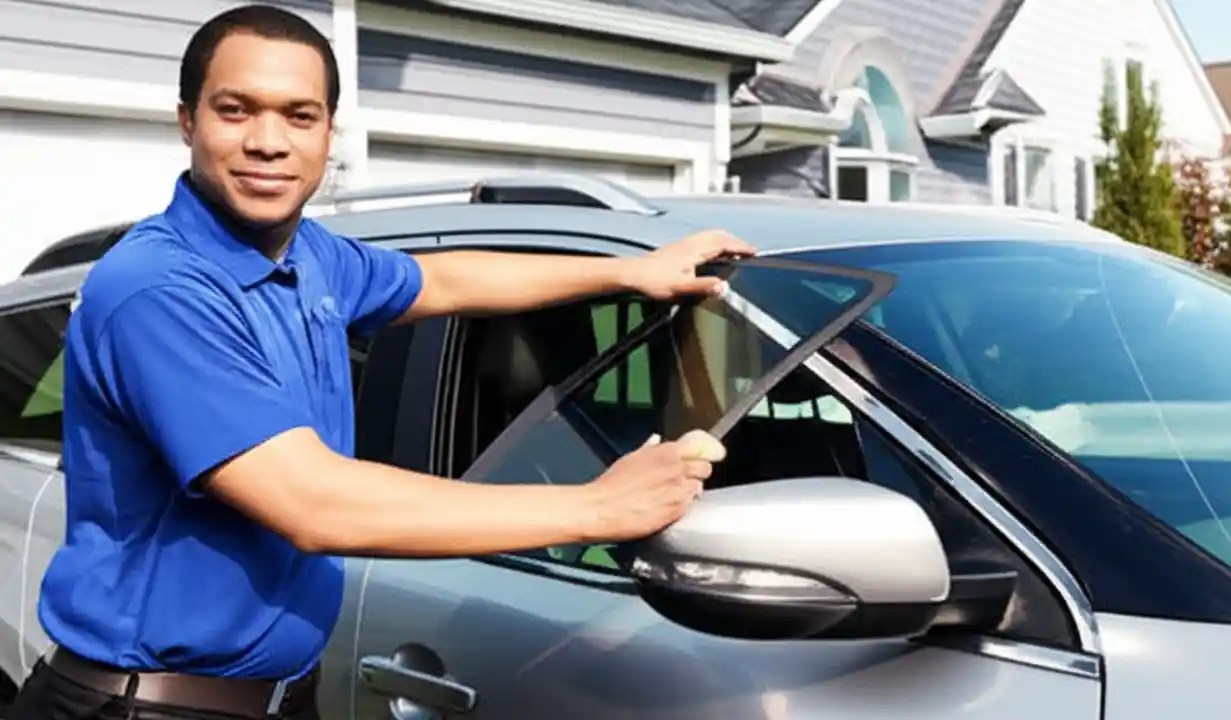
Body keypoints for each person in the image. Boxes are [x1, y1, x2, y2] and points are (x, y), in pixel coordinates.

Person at [9, 4, 754, 719]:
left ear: (329, 132)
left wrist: (630, 274)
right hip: (144, 705)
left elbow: (446, 280)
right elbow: (310, 502)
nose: (269, 140)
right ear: (186, 121)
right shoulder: (158, 290)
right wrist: (597, 508)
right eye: (236, 110)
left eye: (299, 116)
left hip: (276, 696)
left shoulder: (312, 258)